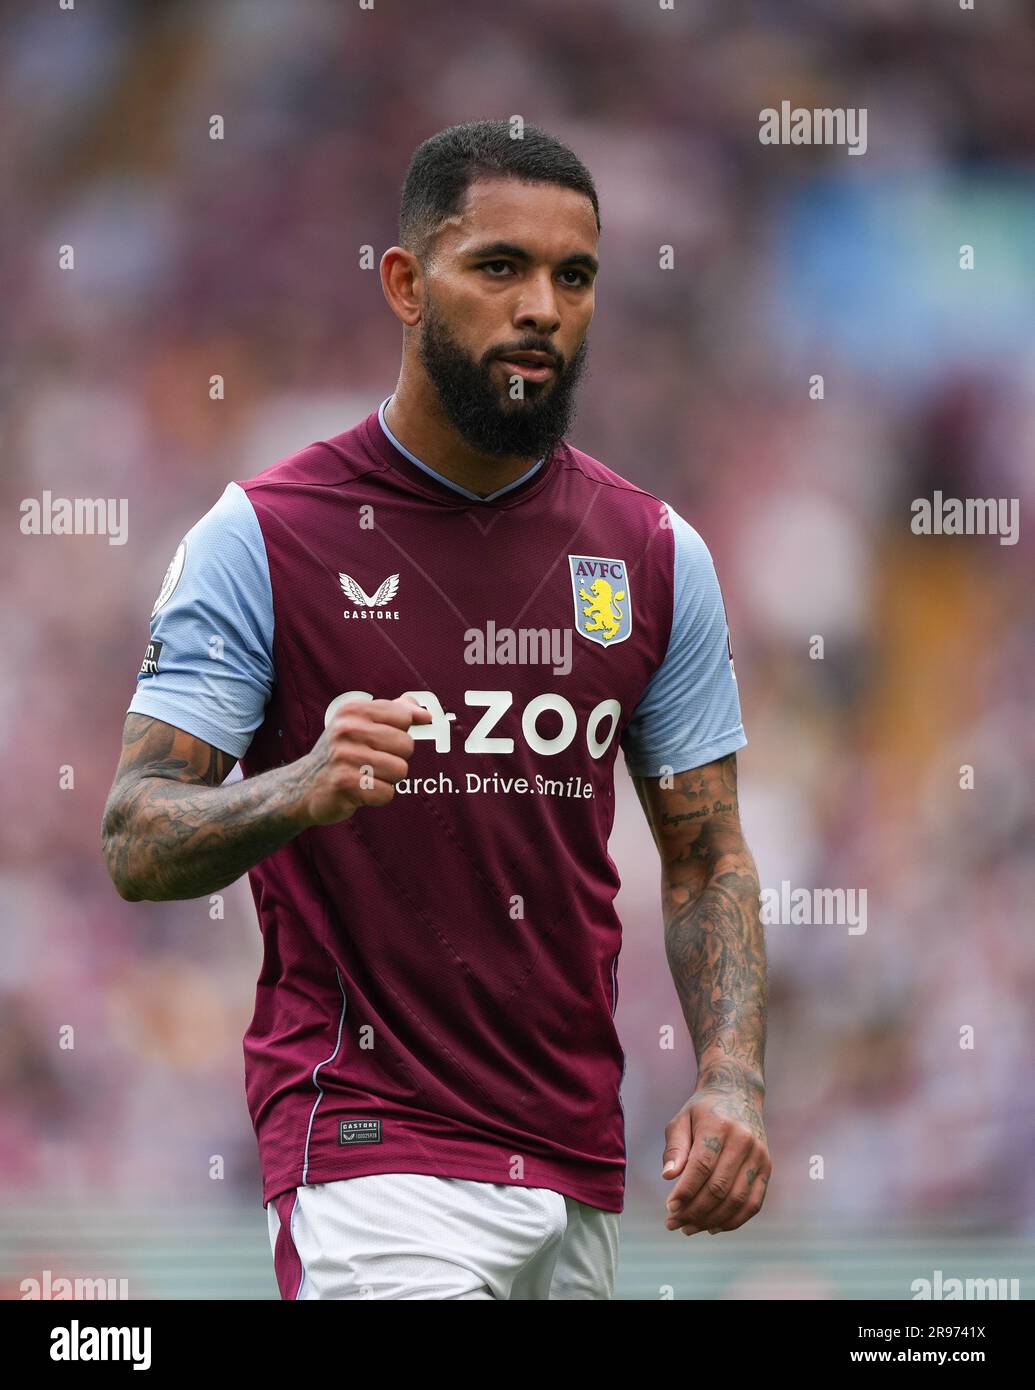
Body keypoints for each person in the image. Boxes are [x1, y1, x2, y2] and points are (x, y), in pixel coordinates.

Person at [101, 119, 770, 1300]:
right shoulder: (262, 537)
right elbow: (136, 836)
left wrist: (732, 1076)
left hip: (573, 1162)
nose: (544, 308)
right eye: (501, 267)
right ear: (407, 284)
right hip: (366, 1148)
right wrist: (299, 786)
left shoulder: (657, 556)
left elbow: (708, 852)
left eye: (574, 277)